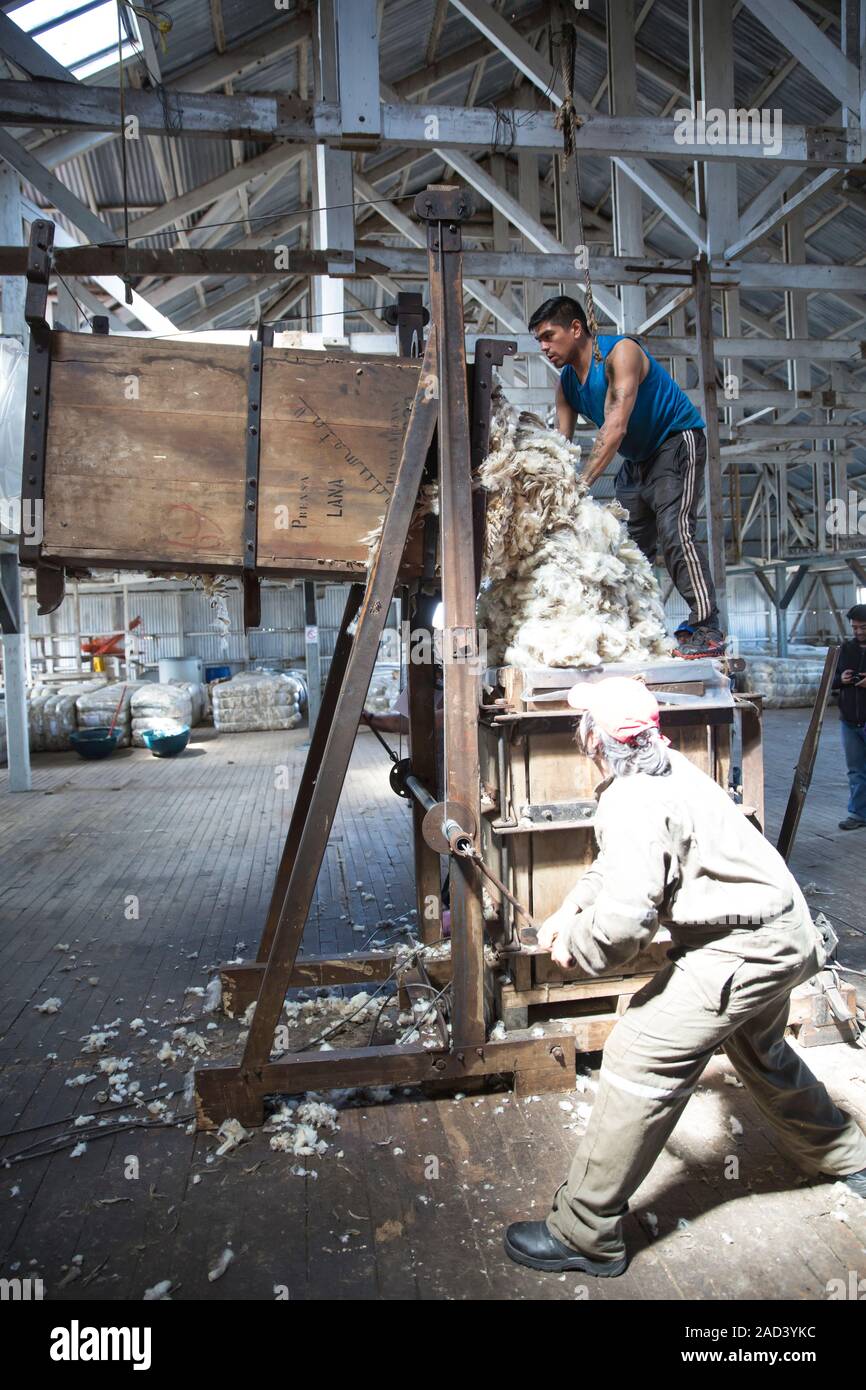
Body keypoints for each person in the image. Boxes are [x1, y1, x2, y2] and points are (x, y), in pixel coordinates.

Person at [504, 676, 866, 1277]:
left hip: (746, 946)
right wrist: (571, 908)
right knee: (761, 1047)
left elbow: (626, 923)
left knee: (639, 1052)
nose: (578, 731)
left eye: (582, 722)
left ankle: (584, 1234)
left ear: (594, 739)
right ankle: (843, 1154)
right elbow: (621, 866)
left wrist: (579, 949)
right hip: (786, 932)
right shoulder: (661, 768)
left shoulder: (632, 800)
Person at [529, 295, 724, 660]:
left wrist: (578, 488)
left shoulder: (622, 352)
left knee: (675, 530)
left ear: (575, 328)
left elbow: (614, 428)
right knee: (626, 550)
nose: (543, 347)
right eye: (538, 340)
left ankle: (707, 626)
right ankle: (636, 628)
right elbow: (561, 446)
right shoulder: (567, 385)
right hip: (637, 461)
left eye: (548, 336)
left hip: (675, 442)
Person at [832, 602, 866, 830]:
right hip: (850, 721)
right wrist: (841, 679)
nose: (859, 632)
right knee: (856, 771)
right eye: (855, 628)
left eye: (863, 627)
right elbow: (831, 680)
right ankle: (858, 814)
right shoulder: (846, 649)